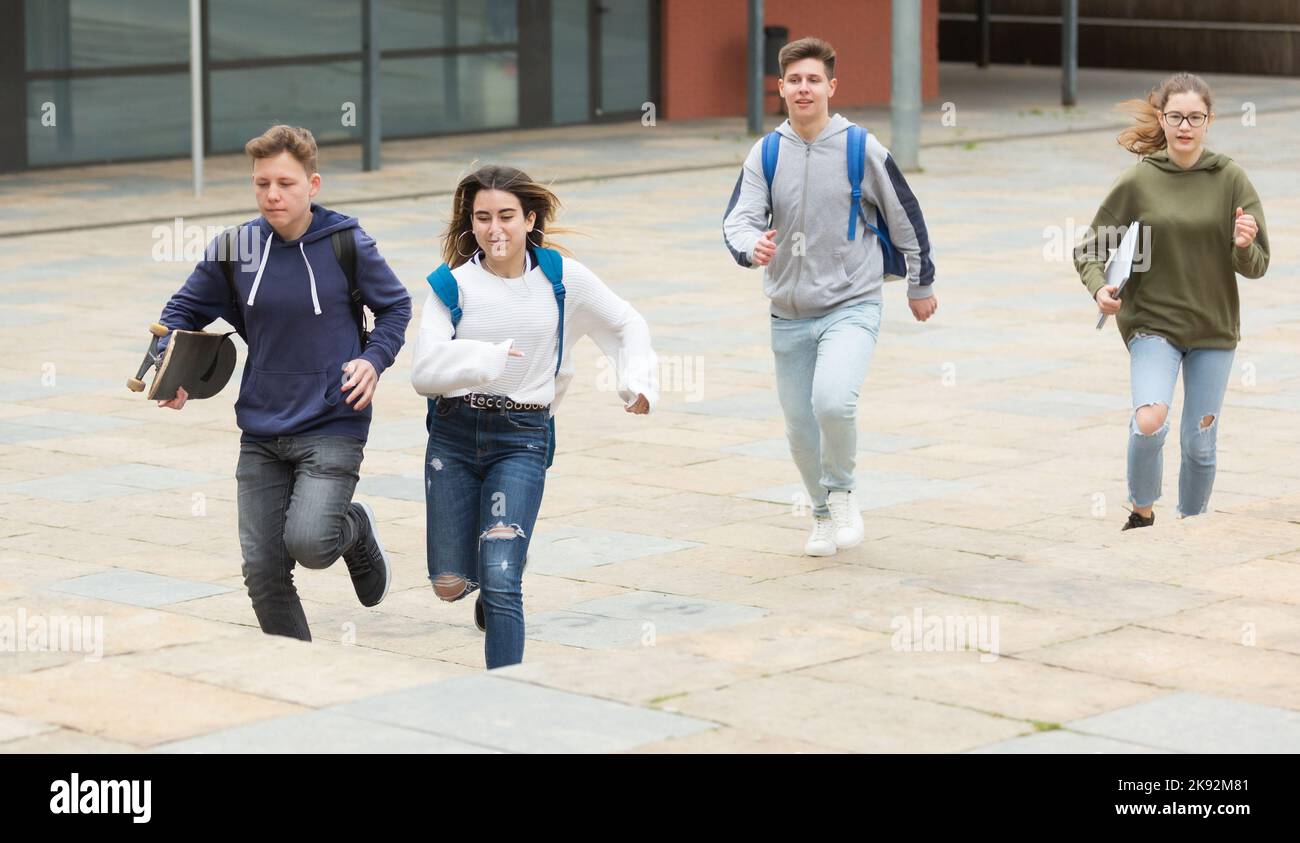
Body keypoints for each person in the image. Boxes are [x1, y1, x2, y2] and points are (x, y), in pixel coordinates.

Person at [156, 124, 412, 639]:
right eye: (262, 183)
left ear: (312, 185)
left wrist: (374, 360)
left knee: (313, 544)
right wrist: (171, 368)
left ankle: (354, 529)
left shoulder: (347, 243)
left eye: (286, 183)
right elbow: (180, 313)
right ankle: (295, 675)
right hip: (262, 426)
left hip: (334, 419)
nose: (273, 194)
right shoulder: (236, 248)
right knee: (262, 573)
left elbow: (395, 307)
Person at [411, 165, 658, 669]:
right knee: (448, 584)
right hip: (454, 436)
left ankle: (508, 696)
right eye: (483, 218)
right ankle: (480, 580)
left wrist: (635, 381)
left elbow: (626, 320)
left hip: (522, 438)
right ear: (470, 225)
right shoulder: (449, 286)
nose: (494, 228)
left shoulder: (561, 277)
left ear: (529, 219)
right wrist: (487, 359)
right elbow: (423, 372)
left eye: (506, 216)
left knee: (503, 575)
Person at [723, 36, 938, 557]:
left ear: (831, 86)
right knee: (799, 428)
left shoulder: (861, 147)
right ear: (781, 87)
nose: (803, 88)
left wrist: (920, 282)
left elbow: (905, 213)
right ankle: (820, 516)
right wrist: (753, 245)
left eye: (813, 79)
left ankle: (842, 494)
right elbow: (739, 218)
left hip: (851, 302)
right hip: (788, 312)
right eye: (794, 80)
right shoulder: (766, 151)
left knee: (832, 401)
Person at [1074, 73, 1269, 530]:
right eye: (1176, 116)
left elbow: (1257, 264)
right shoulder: (1141, 180)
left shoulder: (1231, 178)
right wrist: (1099, 287)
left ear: (1209, 121)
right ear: (1162, 119)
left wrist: (1243, 244)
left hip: (1213, 328)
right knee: (1149, 420)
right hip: (1151, 324)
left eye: (1195, 118)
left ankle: (1191, 526)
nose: (1185, 126)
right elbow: (1091, 247)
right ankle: (1142, 511)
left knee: (1200, 443)